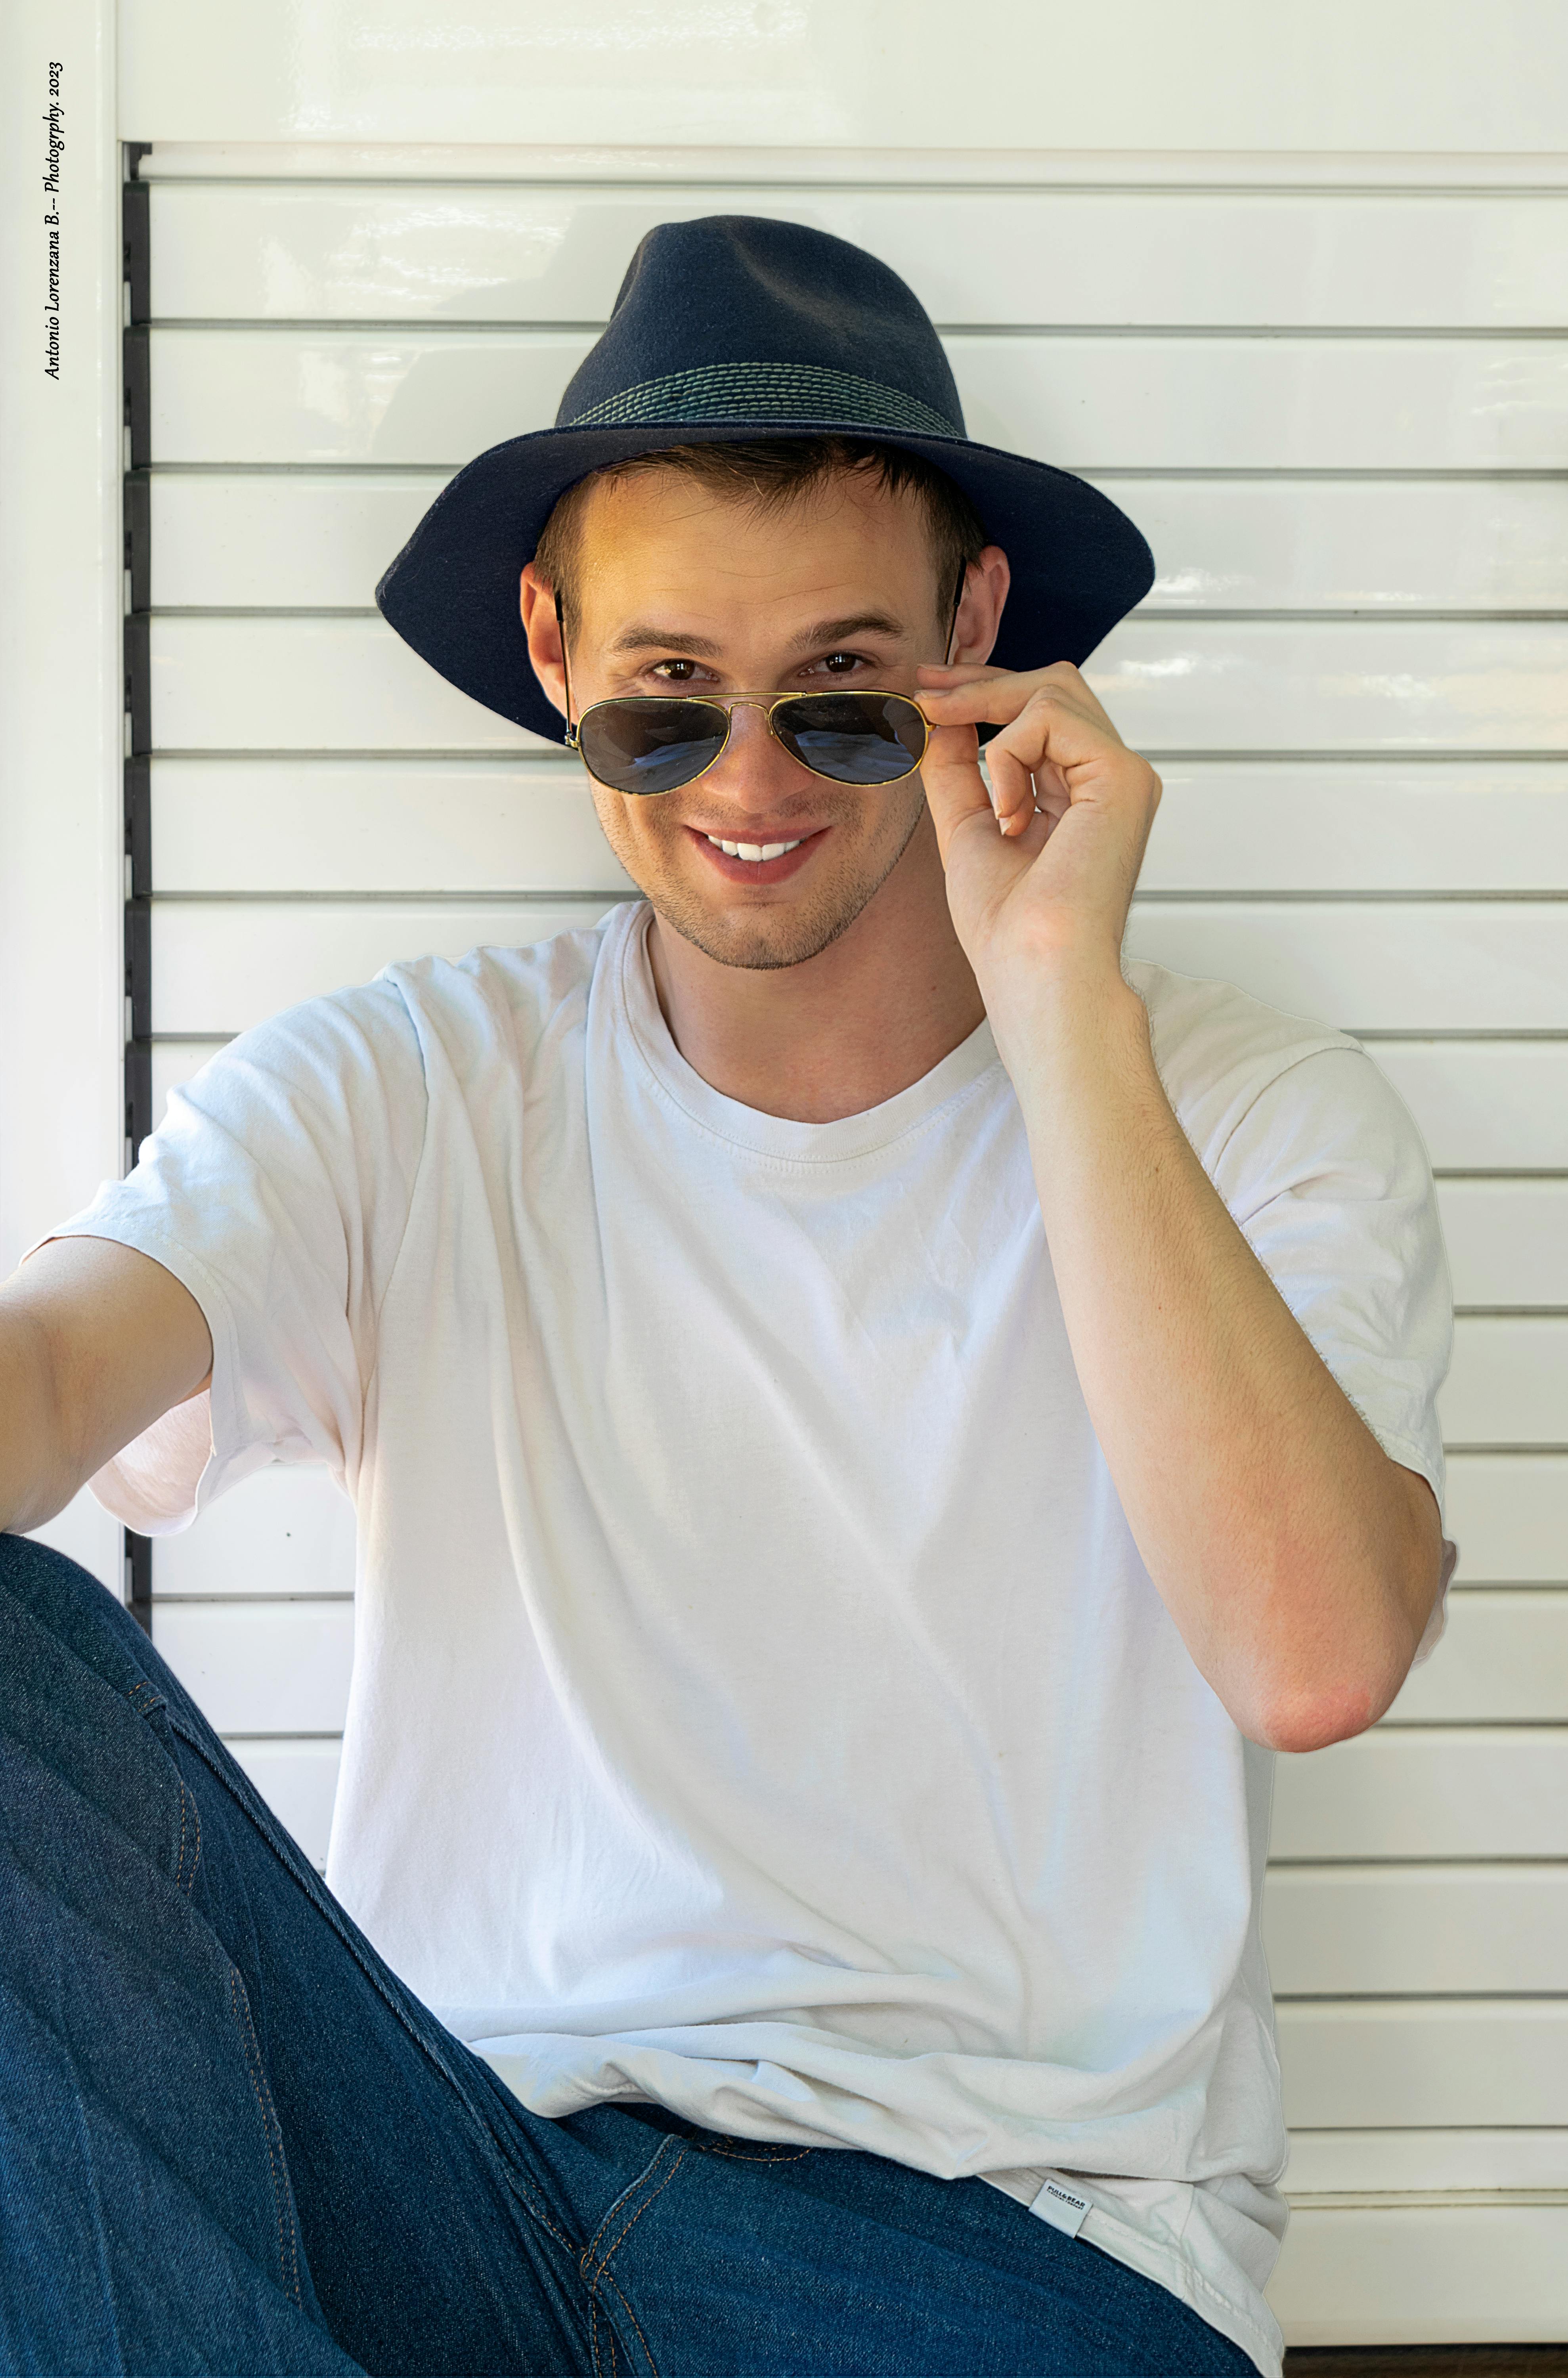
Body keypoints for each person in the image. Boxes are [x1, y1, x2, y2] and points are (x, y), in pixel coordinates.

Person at [0, 217, 1454, 2378]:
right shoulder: (414, 1082)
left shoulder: (1242, 1111)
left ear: (975, 637)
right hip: (463, 2180)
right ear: (553, 649)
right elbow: (54, 1373)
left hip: (998, 2243)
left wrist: (1053, 994)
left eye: (844, 702)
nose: (755, 787)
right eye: (666, 708)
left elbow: (1313, 1655)